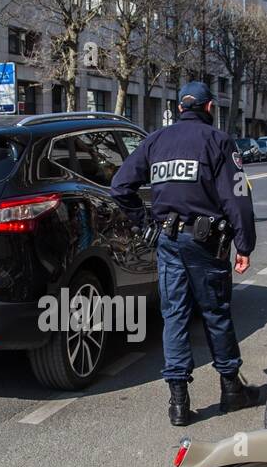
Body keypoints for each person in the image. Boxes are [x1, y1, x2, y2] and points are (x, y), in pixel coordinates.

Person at [110, 81, 258, 426]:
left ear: (179, 109)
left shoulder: (155, 141)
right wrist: (244, 244)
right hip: (205, 244)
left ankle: (178, 403)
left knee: (174, 316)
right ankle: (231, 390)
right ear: (209, 109)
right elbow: (237, 198)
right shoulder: (218, 142)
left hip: (168, 241)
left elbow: (120, 186)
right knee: (216, 313)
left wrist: (143, 221)